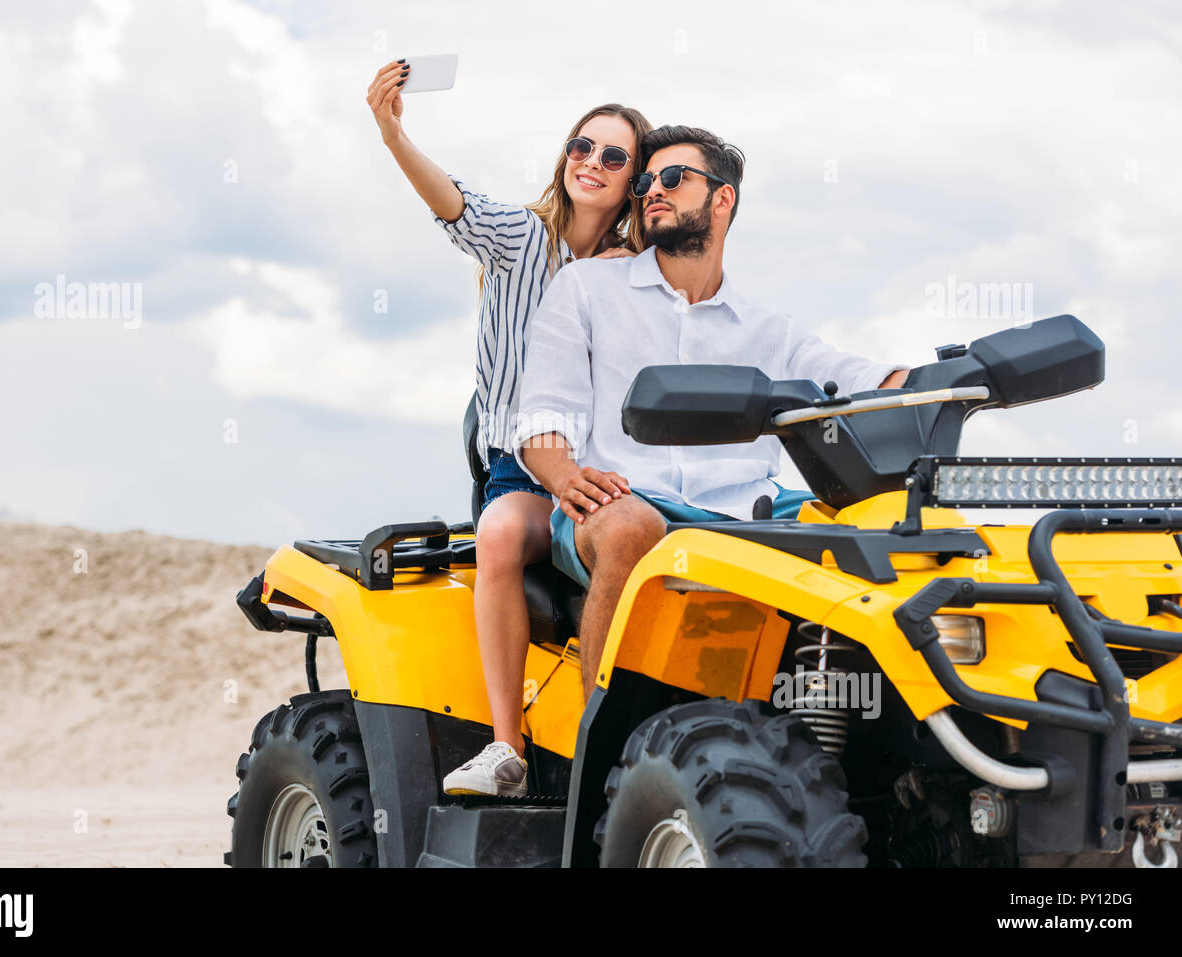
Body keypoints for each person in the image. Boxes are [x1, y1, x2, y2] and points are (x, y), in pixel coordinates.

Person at [514, 125, 910, 701]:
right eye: (646, 181)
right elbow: (545, 418)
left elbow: (862, 382)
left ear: (722, 199)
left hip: (745, 512)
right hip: (615, 502)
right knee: (632, 527)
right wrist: (567, 478)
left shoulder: (768, 328)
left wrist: (941, 383)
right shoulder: (586, 288)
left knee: (890, 529)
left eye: (674, 179)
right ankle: (600, 758)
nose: (653, 190)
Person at [365, 60, 652, 795]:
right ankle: (506, 748)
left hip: (611, 468)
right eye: (581, 147)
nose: (591, 163)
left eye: (613, 156)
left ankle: (628, 733)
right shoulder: (522, 239)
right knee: (497, 536)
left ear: (631, 181)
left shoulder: (632, 271)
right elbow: (452, 203)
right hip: (526, 472)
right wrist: (393, 132)